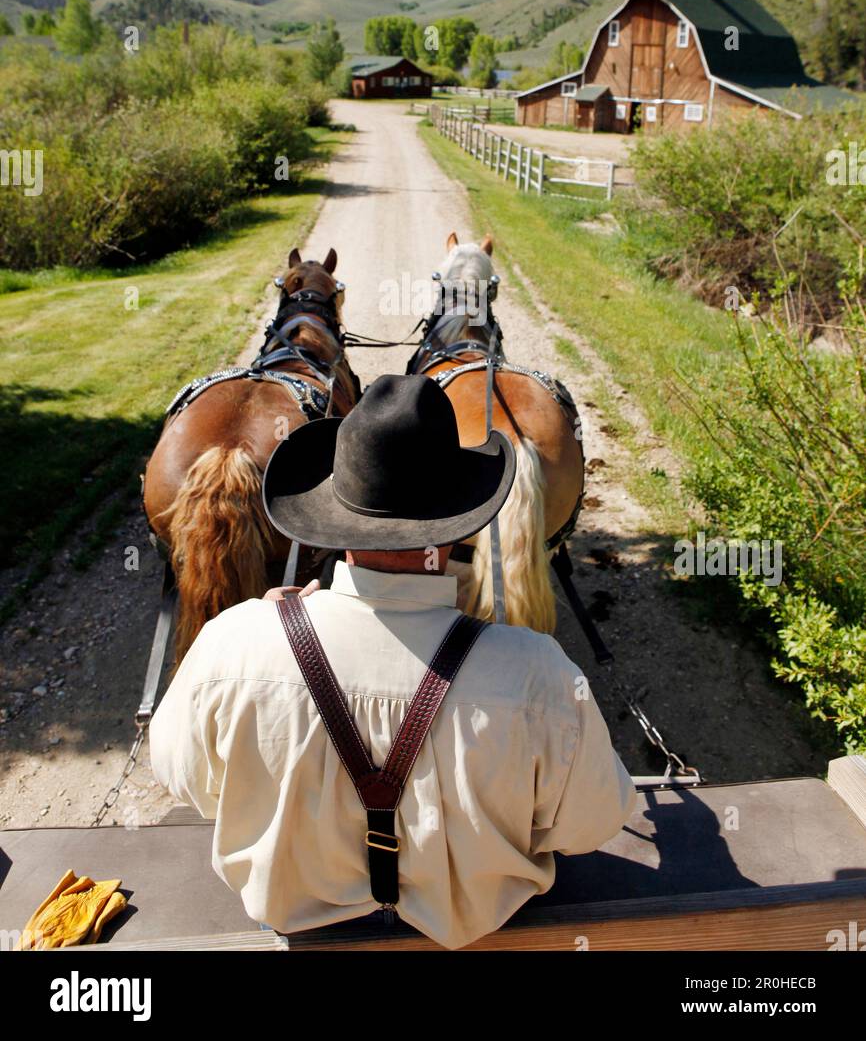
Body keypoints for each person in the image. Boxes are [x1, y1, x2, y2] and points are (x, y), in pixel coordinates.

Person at [150, 374, 635, 950]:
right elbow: (591, 824)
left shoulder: (233, 644)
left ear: (333, 517)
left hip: (302, 941)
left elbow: (186, 782)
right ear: (461, 520)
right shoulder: (540, 674)